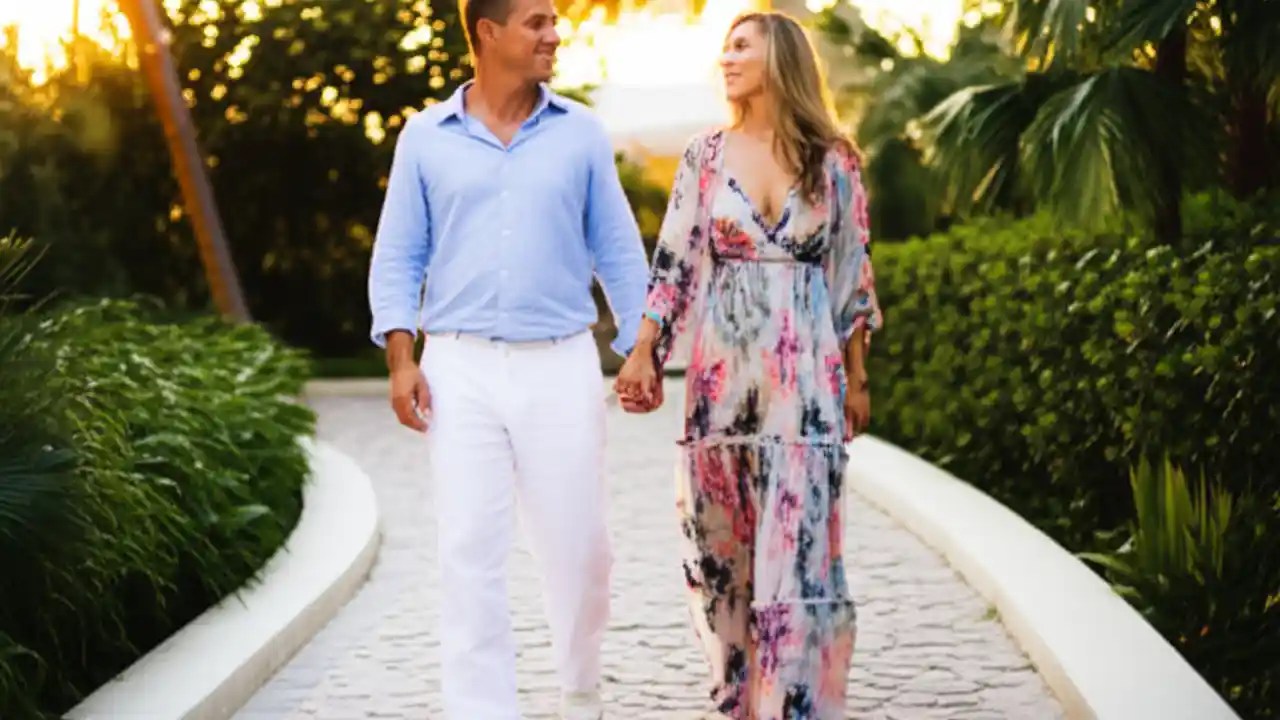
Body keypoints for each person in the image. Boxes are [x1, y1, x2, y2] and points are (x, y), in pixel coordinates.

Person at [365, 0, 650, 714]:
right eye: (537, 21)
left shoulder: (580, 133)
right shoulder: (425, 137)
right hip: (459, 367)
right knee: (469, 556)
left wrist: (640, 346)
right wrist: (403, 359)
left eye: (554, 21)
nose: (554, 34)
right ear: (488, 34)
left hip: (559, 364)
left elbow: (618, 250)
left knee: (582, 551)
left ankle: (579, 690)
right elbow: (399, 254)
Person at [614, 10, 883, 720]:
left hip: (807, 395)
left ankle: (792, 707)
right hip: (722, 394)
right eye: (725, 46)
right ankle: (742, 700)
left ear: (781, 60)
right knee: (725, 562)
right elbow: (671, 264)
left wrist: (858, 379)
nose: (725, 58)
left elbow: (853, 277)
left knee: (799, 561)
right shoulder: (705, 156)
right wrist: (643, 351)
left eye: (741, 46)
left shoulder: (835, 162)